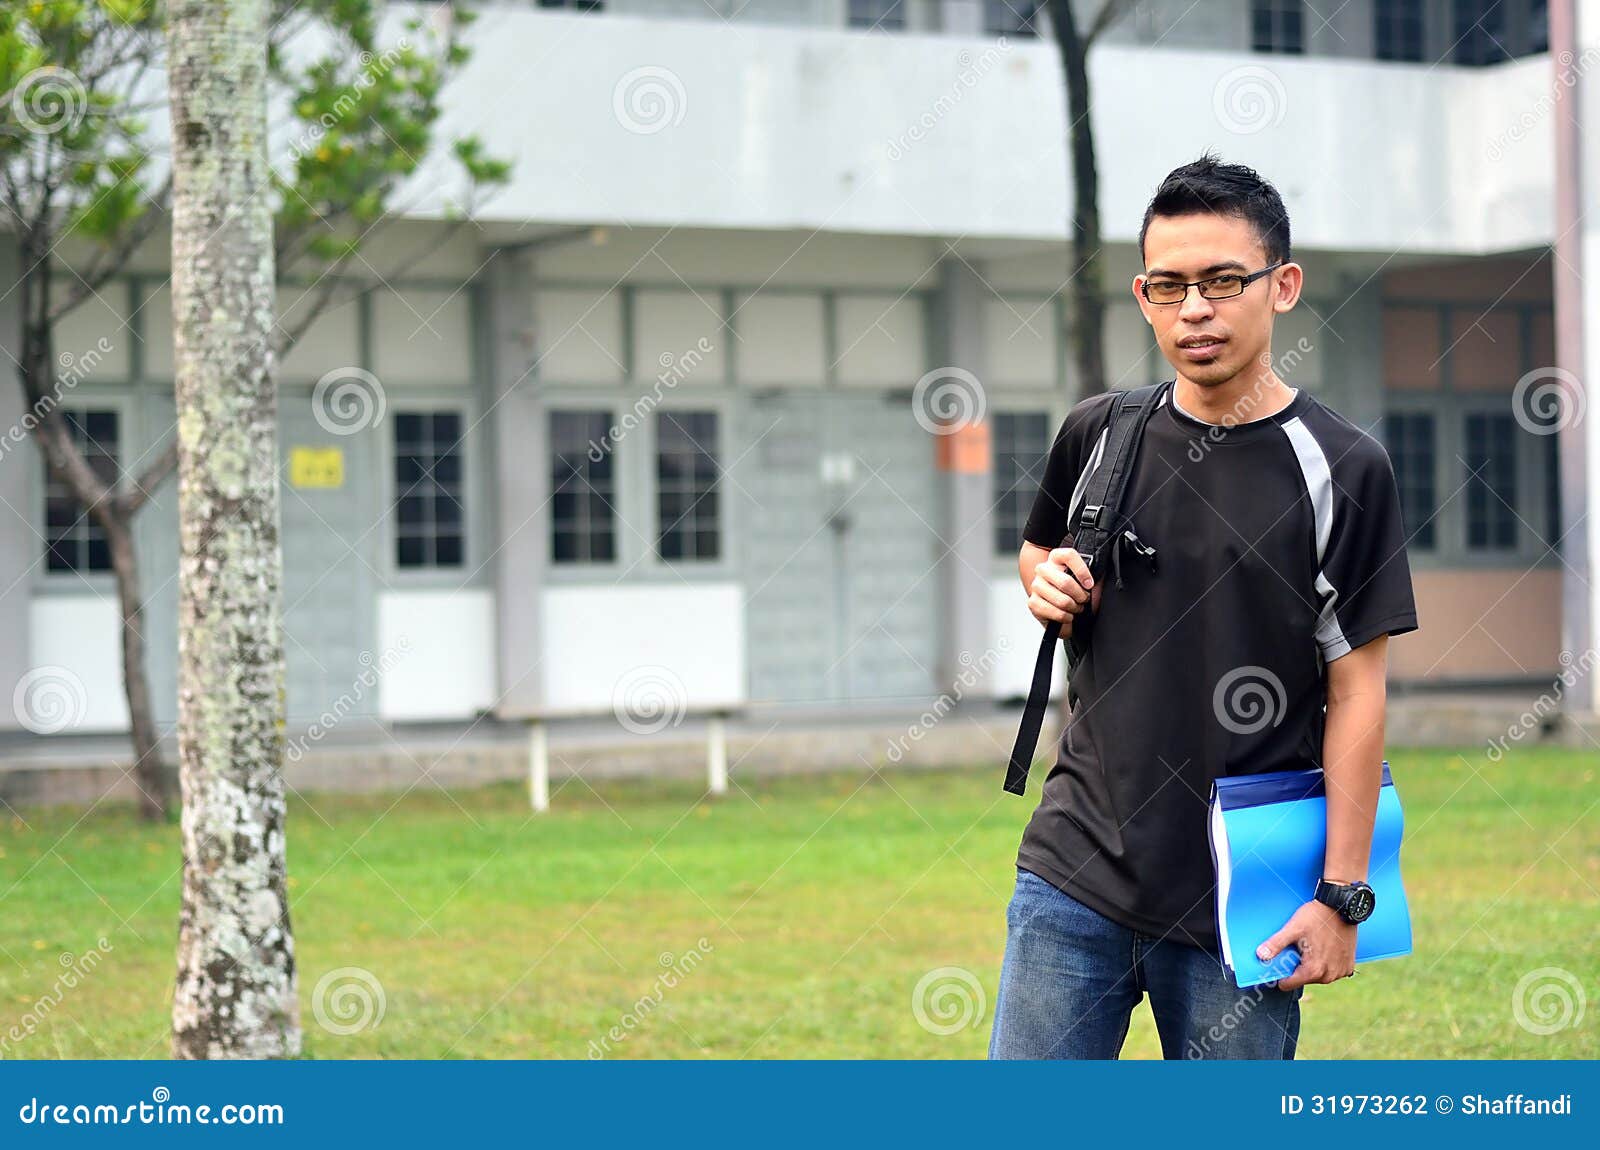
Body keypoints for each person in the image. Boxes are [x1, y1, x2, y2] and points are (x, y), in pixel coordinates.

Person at [988, 153, 1420, 1060]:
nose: (1195, 310)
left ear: (1283, 286)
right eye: (1169, 286)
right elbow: (1039, 552)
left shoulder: (1342, 468)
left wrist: (1344, 896)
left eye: (1224, 281)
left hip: (1247, 894)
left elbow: (1359, 691)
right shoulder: (1099, 432)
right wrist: (1046, 578)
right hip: (1075, 869)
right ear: (1143, 297)